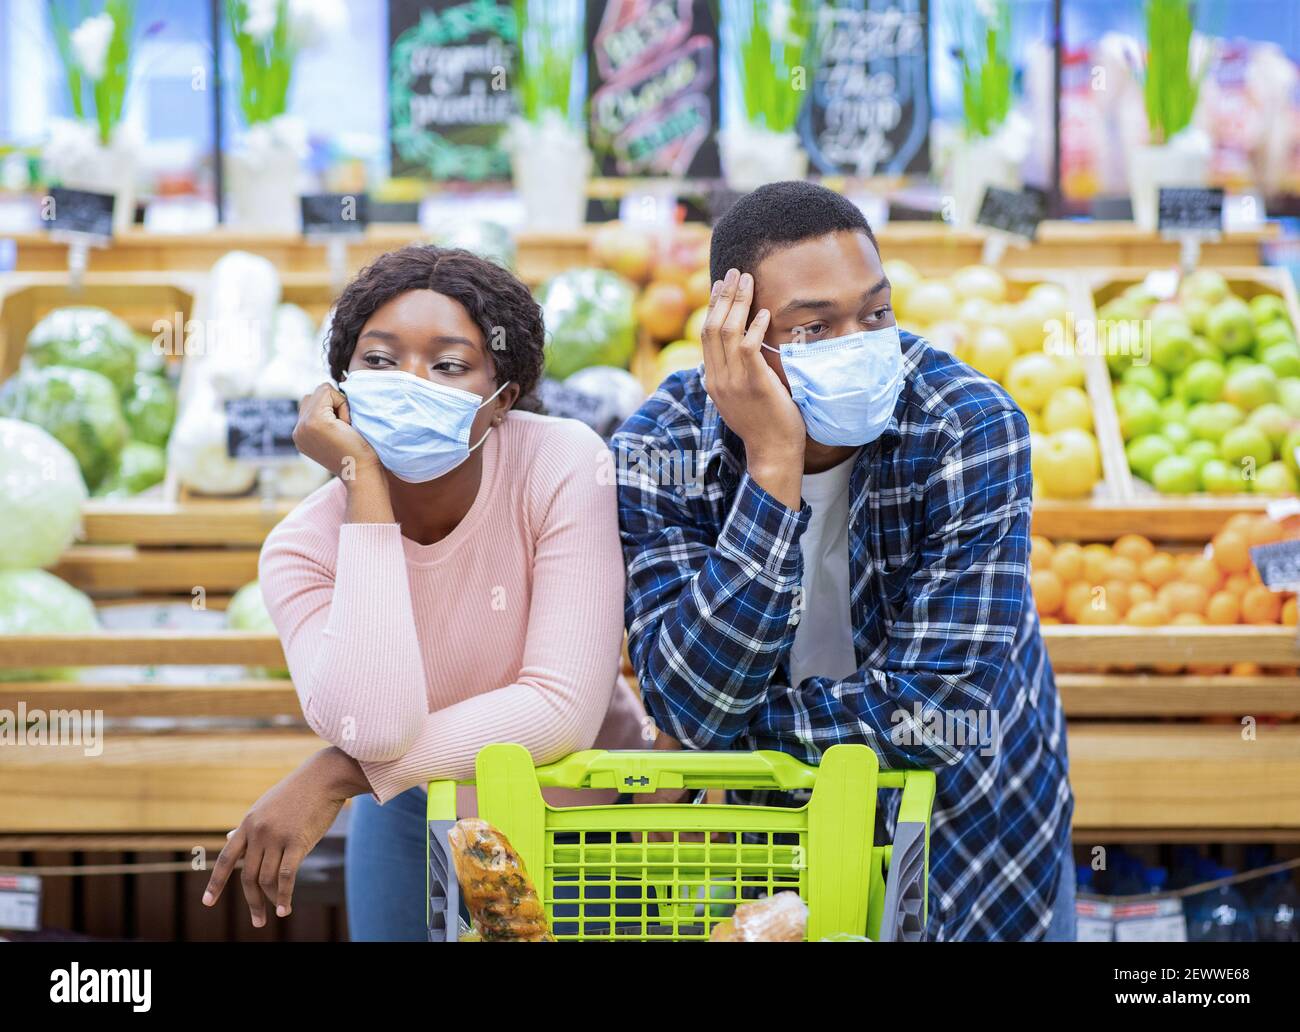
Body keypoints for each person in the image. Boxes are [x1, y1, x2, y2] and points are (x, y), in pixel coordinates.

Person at [613, 181, 1075, 941]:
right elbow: (688, 703)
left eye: (875, 313)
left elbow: (942, 711)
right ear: (735, 337)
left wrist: (728, 738)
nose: (858, 343)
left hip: (969, 834)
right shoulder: (660, 448)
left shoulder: (969, 427)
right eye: (813, 327)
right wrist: (771, 465)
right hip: (765, 854)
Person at [202, 245, 648, 940]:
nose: (410, 381)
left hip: (583, 808)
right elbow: (374, 728)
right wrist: (365, 486)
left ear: (503, 399)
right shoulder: (300, 549)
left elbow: (559, 711)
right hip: (414, 811)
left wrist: (335, 776)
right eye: (379, 360)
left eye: (448, 365)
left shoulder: (562, 462)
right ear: (339, 386)